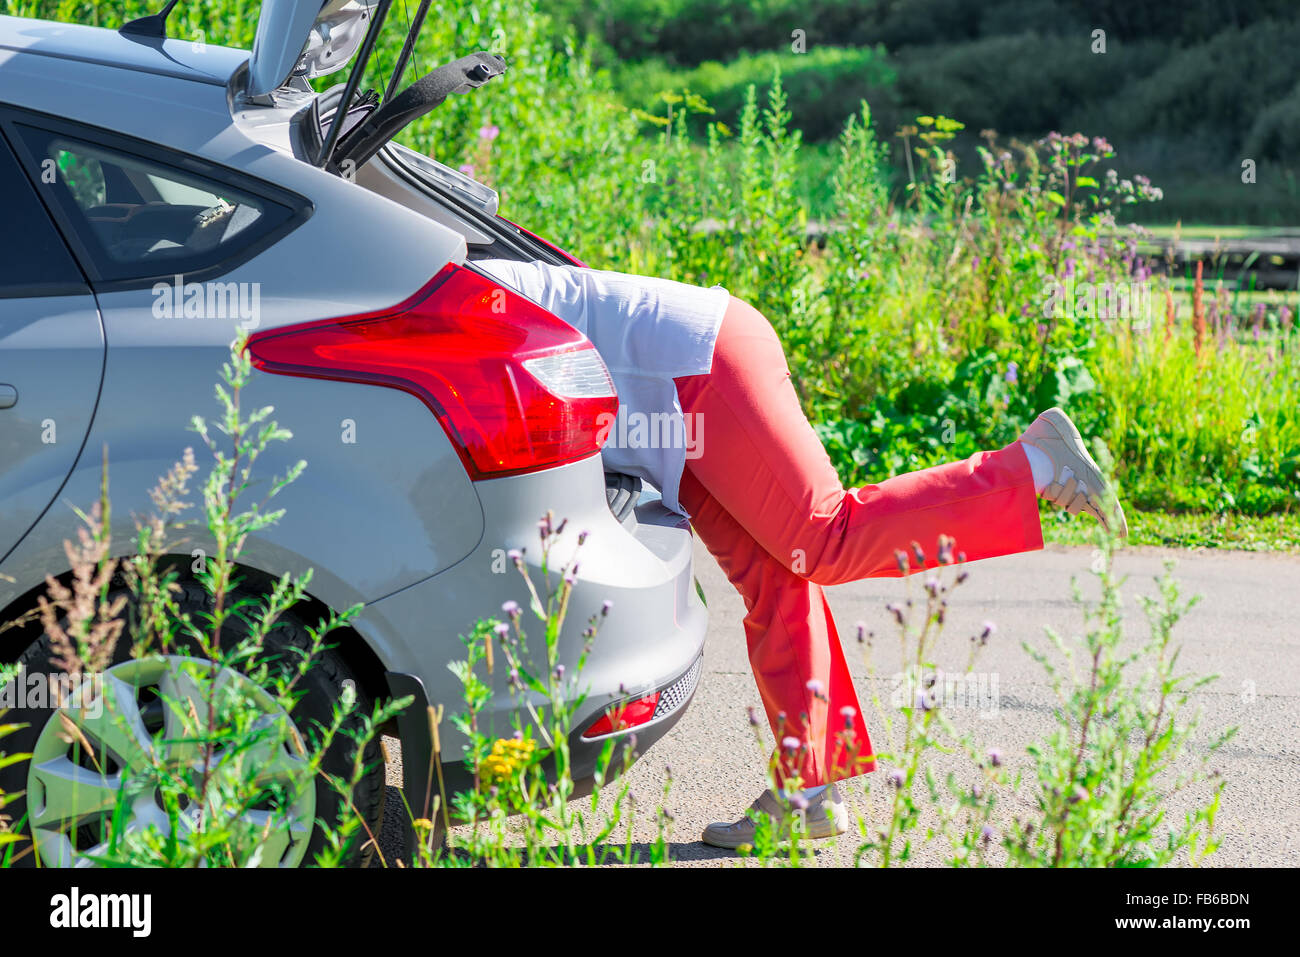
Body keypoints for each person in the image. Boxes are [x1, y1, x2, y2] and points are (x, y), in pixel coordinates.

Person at [474, 256, 1126, 849]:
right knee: (775, 574)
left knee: (823, 537)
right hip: (668, 397)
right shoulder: (418, 283)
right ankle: (806, 789)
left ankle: (1034, 464)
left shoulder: (428, 295)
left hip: (695, 365)